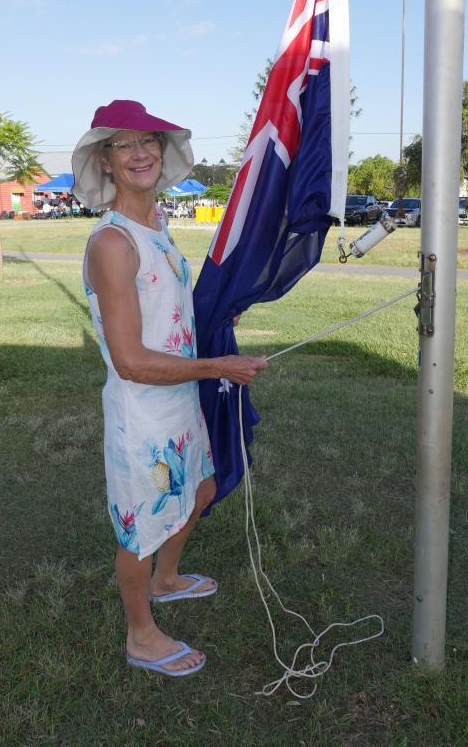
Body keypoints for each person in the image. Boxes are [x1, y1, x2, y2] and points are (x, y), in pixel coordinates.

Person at [72, 100, 267, 677]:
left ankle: (167, 579)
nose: (141, 152)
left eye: (148, 140)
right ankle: (140, 635)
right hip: (143, 410)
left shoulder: (156, 225)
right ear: (106, 161)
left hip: (178, 398)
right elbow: (130, 360)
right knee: (140, 529)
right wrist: (219, 367)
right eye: (124, 144)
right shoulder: (114, 244)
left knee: (200, 490)